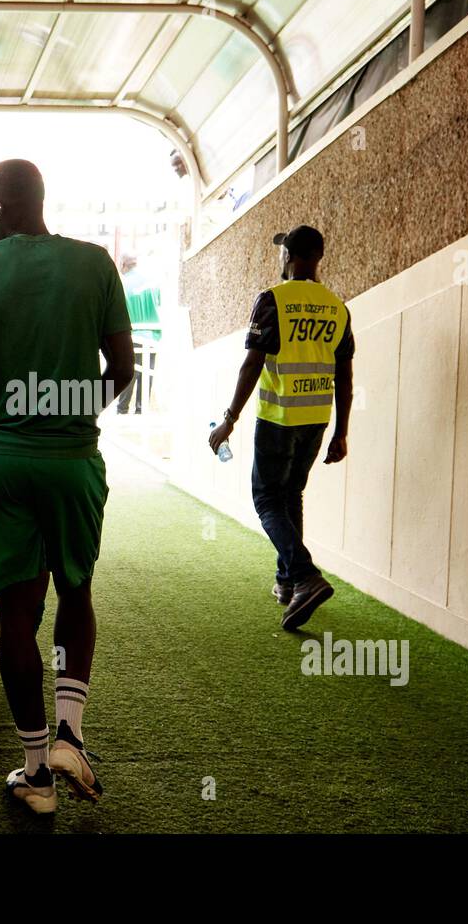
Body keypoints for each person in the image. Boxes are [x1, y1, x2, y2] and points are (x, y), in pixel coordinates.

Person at [0, 159, 134, 814]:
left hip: (4, 461)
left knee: (19, 614)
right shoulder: (95, 264)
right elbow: (123, 367)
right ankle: (70, 736)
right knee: (76, 593)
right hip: (74, 460)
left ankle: (34, 773)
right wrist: (75, 411)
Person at [208, 225, 354, 632]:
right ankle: (288, 583)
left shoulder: (273, 299)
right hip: (317, 418)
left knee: (267, 499)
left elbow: (253, 363)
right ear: (318, 257)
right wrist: (342, 431)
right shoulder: (337, 307)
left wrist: (229, 418)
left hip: (278, 418)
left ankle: (305, 575)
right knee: (291, 494)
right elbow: (345, 377)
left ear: (287, 256)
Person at [115, 253, 161, 415]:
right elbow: (159, 305)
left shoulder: (122, 284)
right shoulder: (152, 282)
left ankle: (122, 409)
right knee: (147, 373)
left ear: (123, 265)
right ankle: (142, 409)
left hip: (132, 335)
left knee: (129, 371)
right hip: (152, 335)